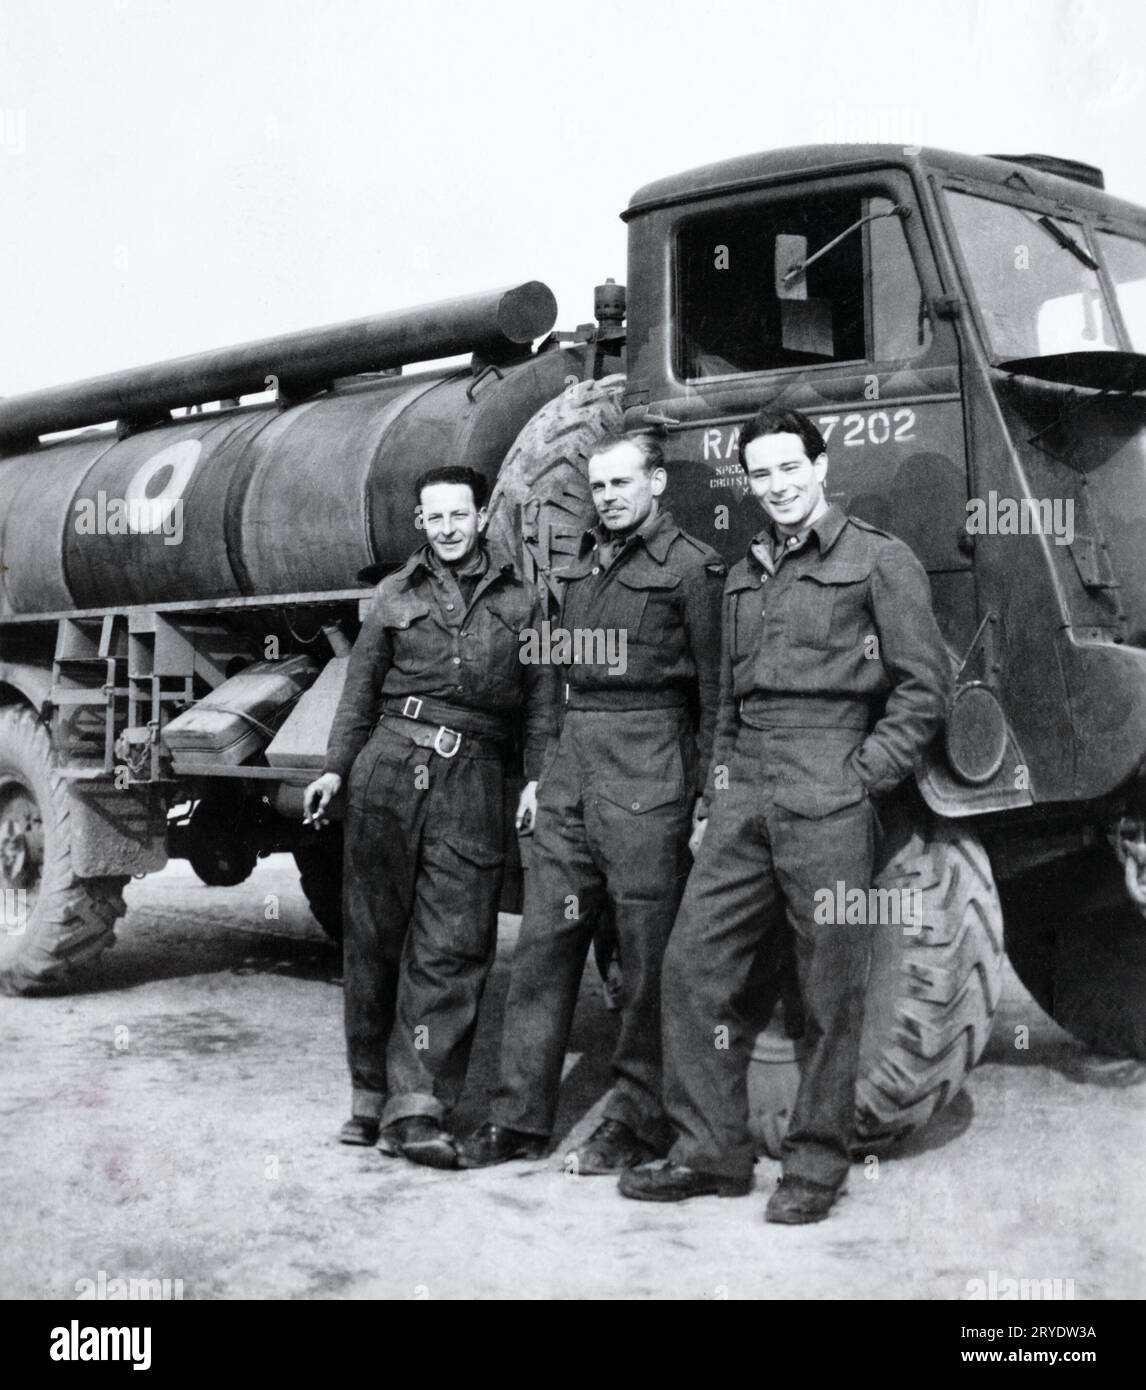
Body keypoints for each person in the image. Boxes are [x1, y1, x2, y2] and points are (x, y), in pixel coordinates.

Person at [620, 406, 950, 1222]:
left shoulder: (879, 560)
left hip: (829, 787)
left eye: (789, 470)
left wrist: (862, 776)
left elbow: (923, 688)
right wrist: (717, 791)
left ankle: (815, 1165)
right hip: (745, 792)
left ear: (821, 466)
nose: (777, 488)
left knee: (830, 989)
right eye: (761, 475)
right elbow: (728, 701)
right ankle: (711, 1152)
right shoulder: (742, 575)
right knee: (691, 970)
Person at [456, 430, 725, 1174]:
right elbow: (552, 681)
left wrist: (707, 793)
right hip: (575, 759)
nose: (608, 497)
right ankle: (519, 1120)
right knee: (543, 945)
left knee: (645, 957)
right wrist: (542, 773)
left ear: (657, 484)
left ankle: (638, 1122)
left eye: (622, 484)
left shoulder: (692, 568)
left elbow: (716, 693)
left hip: (650, 762)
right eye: (599, 486)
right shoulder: (577, 565)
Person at [303, 465, 550, 1169]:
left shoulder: (525, 602)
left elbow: (541, 701)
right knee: (375, 935)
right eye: (434, 517)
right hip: (388, 767)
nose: (447, 528)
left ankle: (420, 1109)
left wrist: (537, 780)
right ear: (421, 522)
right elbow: (357, 695)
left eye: (459, 515)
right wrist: (333, 770)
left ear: (480, 517)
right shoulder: (391, 596)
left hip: (474, 776)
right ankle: (368, 1094)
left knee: (455, 941)